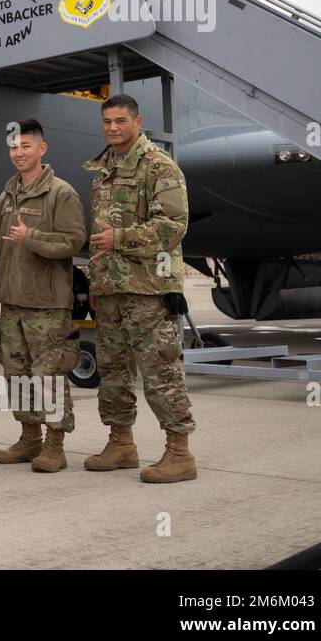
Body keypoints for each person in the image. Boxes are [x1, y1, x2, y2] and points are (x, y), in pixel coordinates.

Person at [83, 93, 197, 483]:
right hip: (112, 289)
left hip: (148, 289)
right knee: (113, 372)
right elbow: (100, 233)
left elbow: (173, 227)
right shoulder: (103, 169)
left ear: (137, 121)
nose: (113, 128)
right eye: (107, 122)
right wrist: (97, 282)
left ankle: (180, 453)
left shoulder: (159, 167)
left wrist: (121, 238)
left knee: (160, 372)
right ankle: (121, 444)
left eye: (120, 121)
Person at [0, 119, 86, 472]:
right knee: (16, 374)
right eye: (14, 147)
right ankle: (29, 438)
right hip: (12, 301)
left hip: (47, 305)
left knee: (49, 377)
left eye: (25, 146)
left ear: (41, 149)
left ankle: (55, 445)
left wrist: (31, 238)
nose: (18, 153)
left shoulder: (61, 193)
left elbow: (73, 241)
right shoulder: (7, 194)